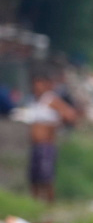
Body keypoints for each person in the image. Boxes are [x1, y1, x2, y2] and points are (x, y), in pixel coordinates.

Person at [15, 69, 78, 202]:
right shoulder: (33, 101)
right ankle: (35, 204)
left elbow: (70, 115)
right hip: (35, 145)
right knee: (34, 178)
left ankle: (50, 204)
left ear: (46, 84)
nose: (37, 87)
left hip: (46, 144)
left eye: (40, 84)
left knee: (46, 177)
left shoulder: (51, 100)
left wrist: (57, 124)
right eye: (35, 84)